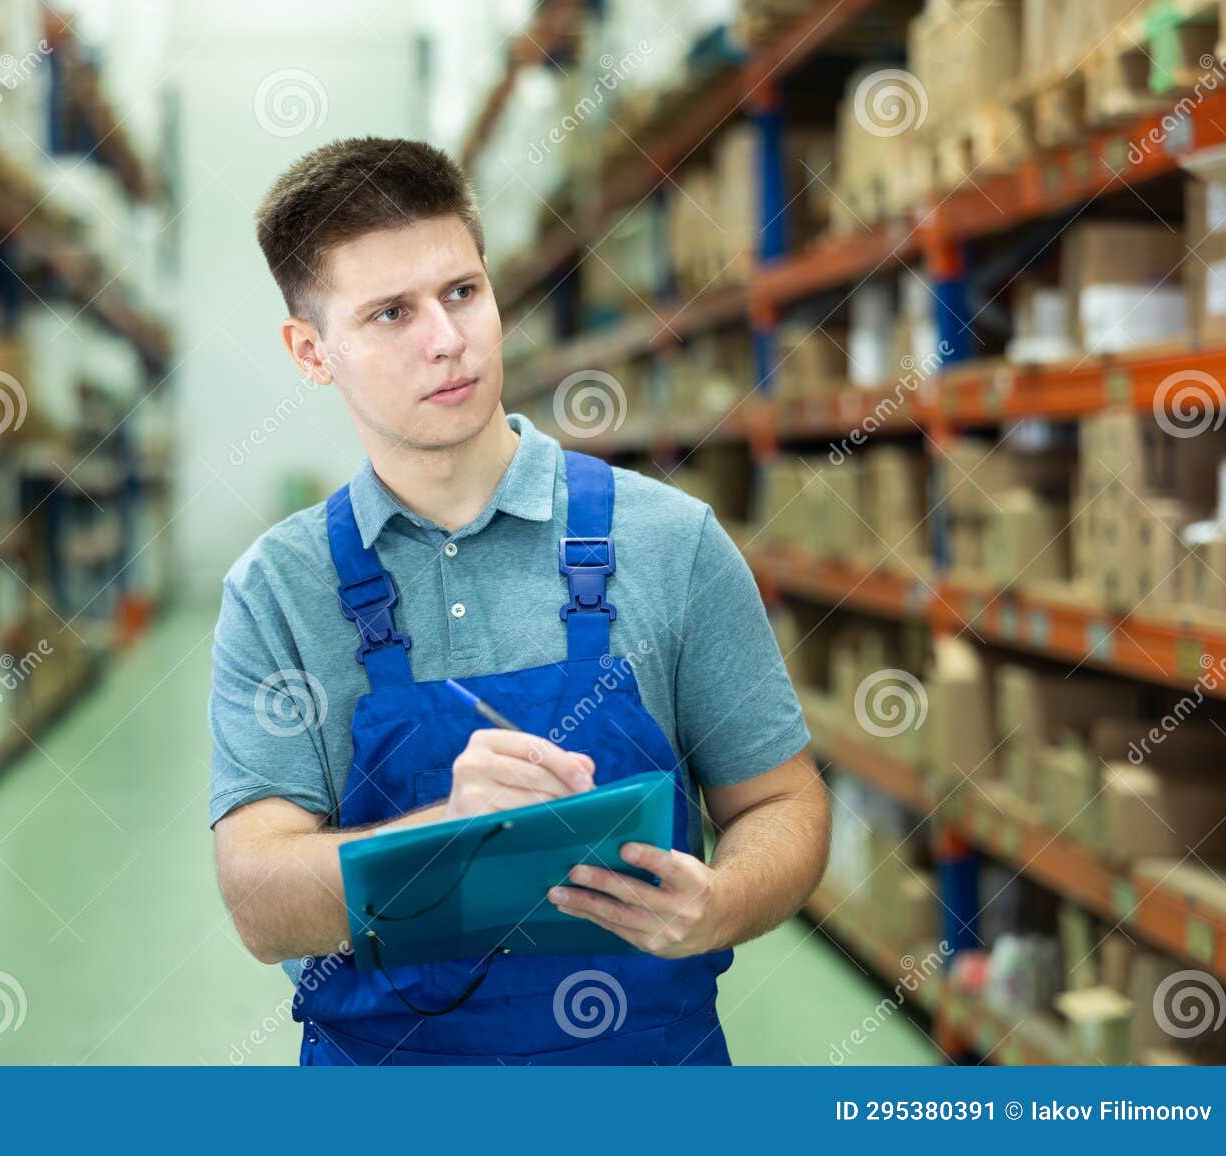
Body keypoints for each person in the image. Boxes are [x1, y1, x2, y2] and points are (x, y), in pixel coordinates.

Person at [209, 136, 830, 1065]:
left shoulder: (669, 542)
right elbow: (258, 898)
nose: (447, 339)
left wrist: (721, 904)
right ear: (311, 352)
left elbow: (783, 799)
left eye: (462, 292)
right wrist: (447, 835)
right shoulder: (279, 590)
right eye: (390, 314)